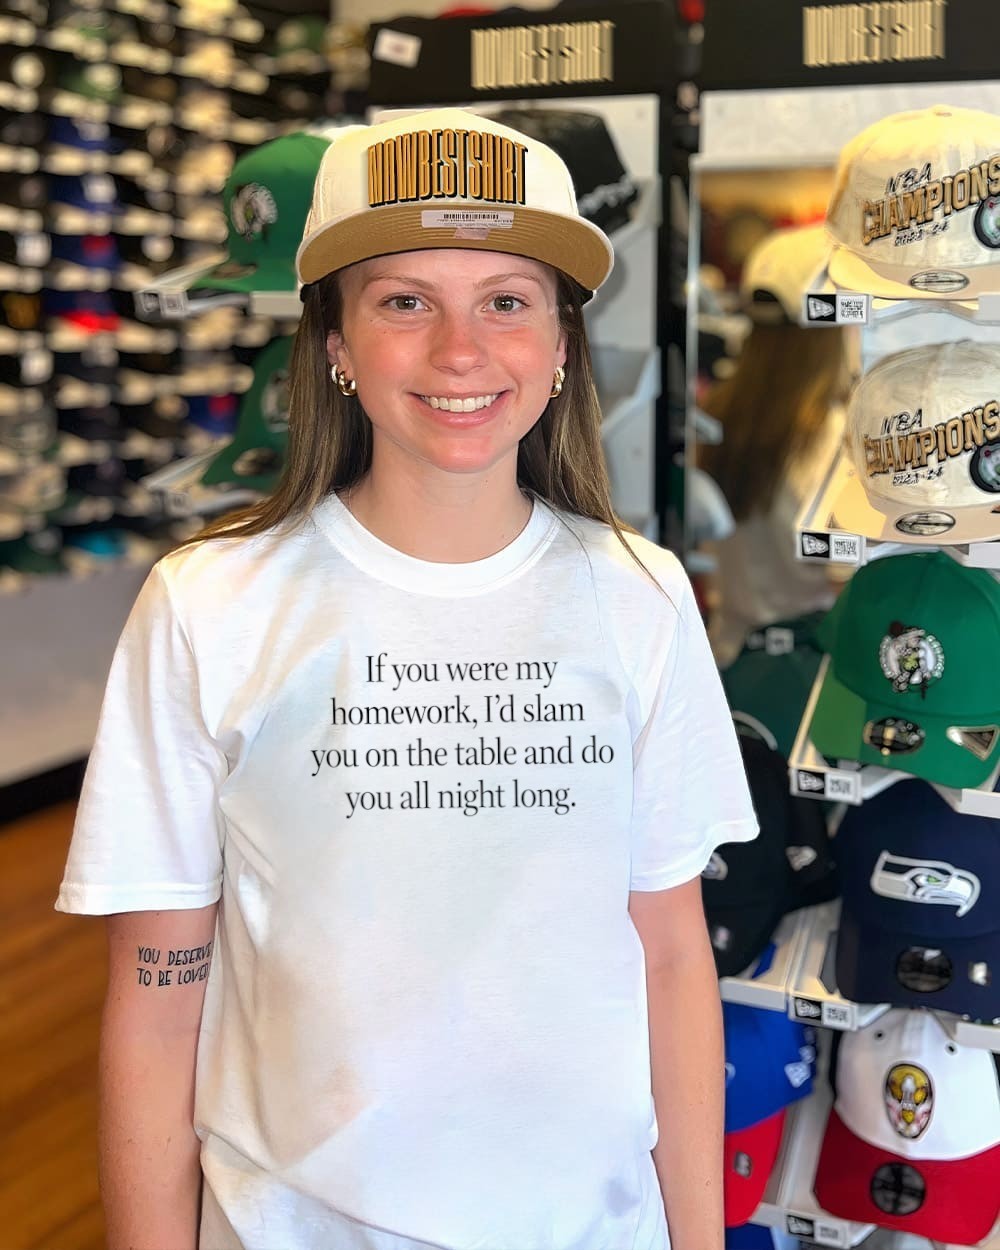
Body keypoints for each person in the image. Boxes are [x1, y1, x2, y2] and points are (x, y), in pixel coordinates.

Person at [56, 108, 757, 1250]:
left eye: (507, 300)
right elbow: (155, 995)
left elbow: (673, 958)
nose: (461, 351)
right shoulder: (209, 603)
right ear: (334, 341)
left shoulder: (641, 593)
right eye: (404, 301)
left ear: (562, 345)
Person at [699, 224, 857, 669]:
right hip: (806, 666)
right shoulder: (831, 436)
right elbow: (843, 574)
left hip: (727, 658)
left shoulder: (715, 417)